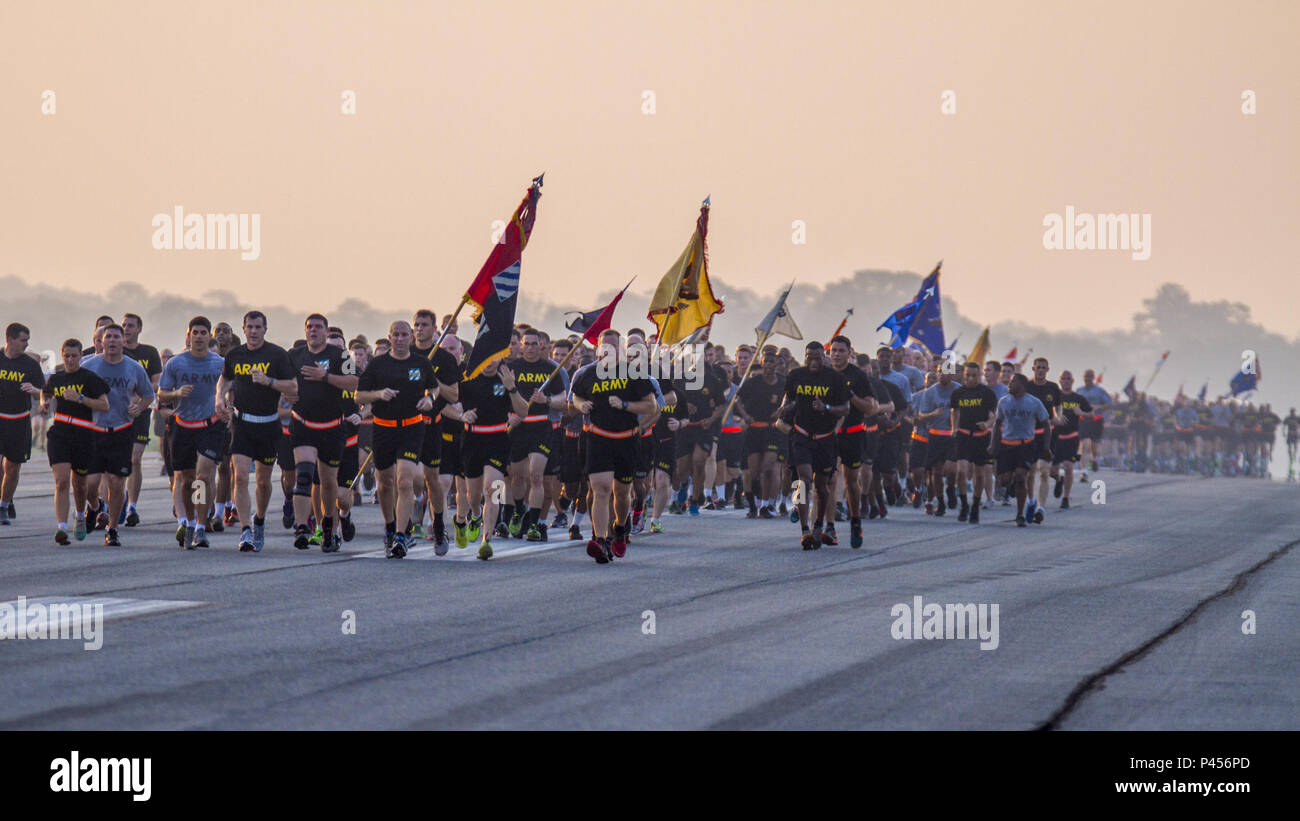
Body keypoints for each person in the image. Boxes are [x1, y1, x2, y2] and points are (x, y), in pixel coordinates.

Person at [569, 330, 657, 563]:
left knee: (621, 492)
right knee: (600, 489)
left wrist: (625, 405)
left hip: (626, 440)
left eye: (613, 347)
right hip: (598, 439)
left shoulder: (634, 374)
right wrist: (582, 405)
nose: (607, 351)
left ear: (621, 350)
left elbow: (651, 405)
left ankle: (619, 528)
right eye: (603, 347)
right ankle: (600, 540)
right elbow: (575, 398)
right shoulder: (587, 374)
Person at [355, 320, 438, 558]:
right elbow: (358, 395)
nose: (400, 339)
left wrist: (429, 400)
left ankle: (402, 535)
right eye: (396, 335)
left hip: (412, 428)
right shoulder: (378, 365)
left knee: (404, 481)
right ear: (389, 337)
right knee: (385, 483)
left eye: (404, 335)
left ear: (411, 337)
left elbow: (433, 388)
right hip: (383, 428)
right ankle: (390, 526)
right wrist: (379, 394)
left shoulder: (421, 363)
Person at [216, 310, 295, 552]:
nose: (253, 331)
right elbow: (225, 379)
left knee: (262, 481)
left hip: (269, 424)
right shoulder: (235, 355)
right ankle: (245, 530)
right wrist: (219, 397)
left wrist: (269, 381)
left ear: (265, 330)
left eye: (258, 327)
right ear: (243, 329)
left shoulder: (276, 355)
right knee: (239, 476)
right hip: (242, 423)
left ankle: (259, 519)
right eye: (249, 327)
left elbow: (292, 386)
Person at [287, 314, 358, 553]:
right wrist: (286, 394)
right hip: (303, 424)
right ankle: (301, 528)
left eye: (319, 327)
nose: (314, 331)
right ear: (305, 331)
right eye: (310, 327)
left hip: (332, 427)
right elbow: (284, 382)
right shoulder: (294, 355)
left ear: (326, 331)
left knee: (329, 484)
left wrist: (325, 377)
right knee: (304, 477)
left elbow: (354, 382)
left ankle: (328, 525)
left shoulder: (341, 356)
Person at [82, 324, 155, 546]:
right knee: (90, 484)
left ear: (123, 341)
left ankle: (112, 529)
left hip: (122, 431)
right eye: (108, 337)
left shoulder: (133, 368)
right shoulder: (89, 366)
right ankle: (95, 507)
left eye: (116, 337)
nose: (112, 341)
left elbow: (148, 395)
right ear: (101, 341)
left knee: (116, 482)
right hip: (94, 431)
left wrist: (140, 407)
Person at [157, 316, 225, 549]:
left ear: (209, 336)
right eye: (194, 332)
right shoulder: (176, 363)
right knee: (185, 480)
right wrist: (176, 394)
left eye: (203, 332)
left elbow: (230, 389)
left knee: (203, 477)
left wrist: (227, 406)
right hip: (182, 425)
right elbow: (161, 394)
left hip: (209, 426)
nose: (198, 336)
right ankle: (186, 522)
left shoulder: (219, 363)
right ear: (188, 335)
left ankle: (200, 527)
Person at [774, 341, 849, 549]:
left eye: (817, 358)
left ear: (823, 357)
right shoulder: (796, 376)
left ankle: (819, 525)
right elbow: (789, 400)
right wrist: (784, 410)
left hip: (825, 437)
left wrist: (825, 407)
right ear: (805, 357)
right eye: (810, 358)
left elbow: (845, 409)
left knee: (821, 486)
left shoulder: (835, 378)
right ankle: (805, 530)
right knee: (802, 479)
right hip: (801, 434)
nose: (813, 362)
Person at [458, 354, 530, 560]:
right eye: (485, 359)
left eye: (493, 360)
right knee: (473, 496)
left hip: (498, 440)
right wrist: (461, 415)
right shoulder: (467, 379)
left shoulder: (506, 378)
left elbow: (524, 411)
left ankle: (486, 540)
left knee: (493, 489)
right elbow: (448, 403)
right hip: (472, 440)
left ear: (499, 360)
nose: (489, 364)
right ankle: (475, 515)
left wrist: (512, 388)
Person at [41, 338, 110, 544]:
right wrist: (45, 403)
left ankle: (80, 516)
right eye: (66, 356)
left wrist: (80, 398)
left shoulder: (90, 378)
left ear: (81, 356)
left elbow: (104, 405)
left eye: (74, 356)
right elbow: (46, 392)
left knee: (80, 485)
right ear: (62, 356)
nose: (70, 360)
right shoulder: (56, 378)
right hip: (60, 432)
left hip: (83, 433)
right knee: (61, 481)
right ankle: (61, 527)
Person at [119, 313, 162, 527]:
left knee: (135, 459)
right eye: (124, 325)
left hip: (142, 411)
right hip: (118, 412)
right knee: (116, 459)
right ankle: (112, 503)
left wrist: (140, 394)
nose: (126, 329)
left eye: (131, 326)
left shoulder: (149, 352)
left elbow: (157, 383)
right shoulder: (117, 352)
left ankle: (132, 507)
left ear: (139, 329)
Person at [0, 323, 46, 525]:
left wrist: (34, 390)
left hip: (19, 420)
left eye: (28, 340)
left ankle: (4, 504)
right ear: (10, 339)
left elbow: (45, 394)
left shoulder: (30, 365)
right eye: (23, 340)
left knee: (12, 468)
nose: (27, 344)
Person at [992, 374, 1050, 527]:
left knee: (1020, 477)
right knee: (1004, 480)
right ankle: (1009, 485)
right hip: (1006, 444)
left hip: (1025, 445)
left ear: (1022, 386)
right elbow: (997, 424)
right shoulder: (1003, 402)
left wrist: (1046, 447)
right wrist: (993, 445)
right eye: (1009, 383)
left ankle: (1020, 514)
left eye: (1013, 383)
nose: (1009, 385)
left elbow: (1046, 424)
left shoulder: (1034, 402)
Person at [949, 361, 997, 524]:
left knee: (979, 473)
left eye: (974, 375)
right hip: (963, 436)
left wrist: (987, 425)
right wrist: (954, 428)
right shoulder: (958, 393)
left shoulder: (987, 393)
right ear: (964, 375)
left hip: (981, 436)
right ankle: (964, 504)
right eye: (968, 375)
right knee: (961, 471)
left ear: (979, 376)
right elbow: (954, 412)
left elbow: (993, 416)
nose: (971, 378)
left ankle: (975, 505)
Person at [1049, 370, 1092, 510]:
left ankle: (1066, 498)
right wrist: (1054, 420)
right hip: (1055, 438)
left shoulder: (1078, 398)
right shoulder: (1054, 397)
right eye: (1064, 379)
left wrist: (1082, 413)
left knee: (1068, 466)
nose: (1066, 381)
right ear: (1060, 381)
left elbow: (1092, 414)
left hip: (1071, 437)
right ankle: (1059, 480)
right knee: (1052, 471)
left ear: (1073, 381)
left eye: (1069, 379)